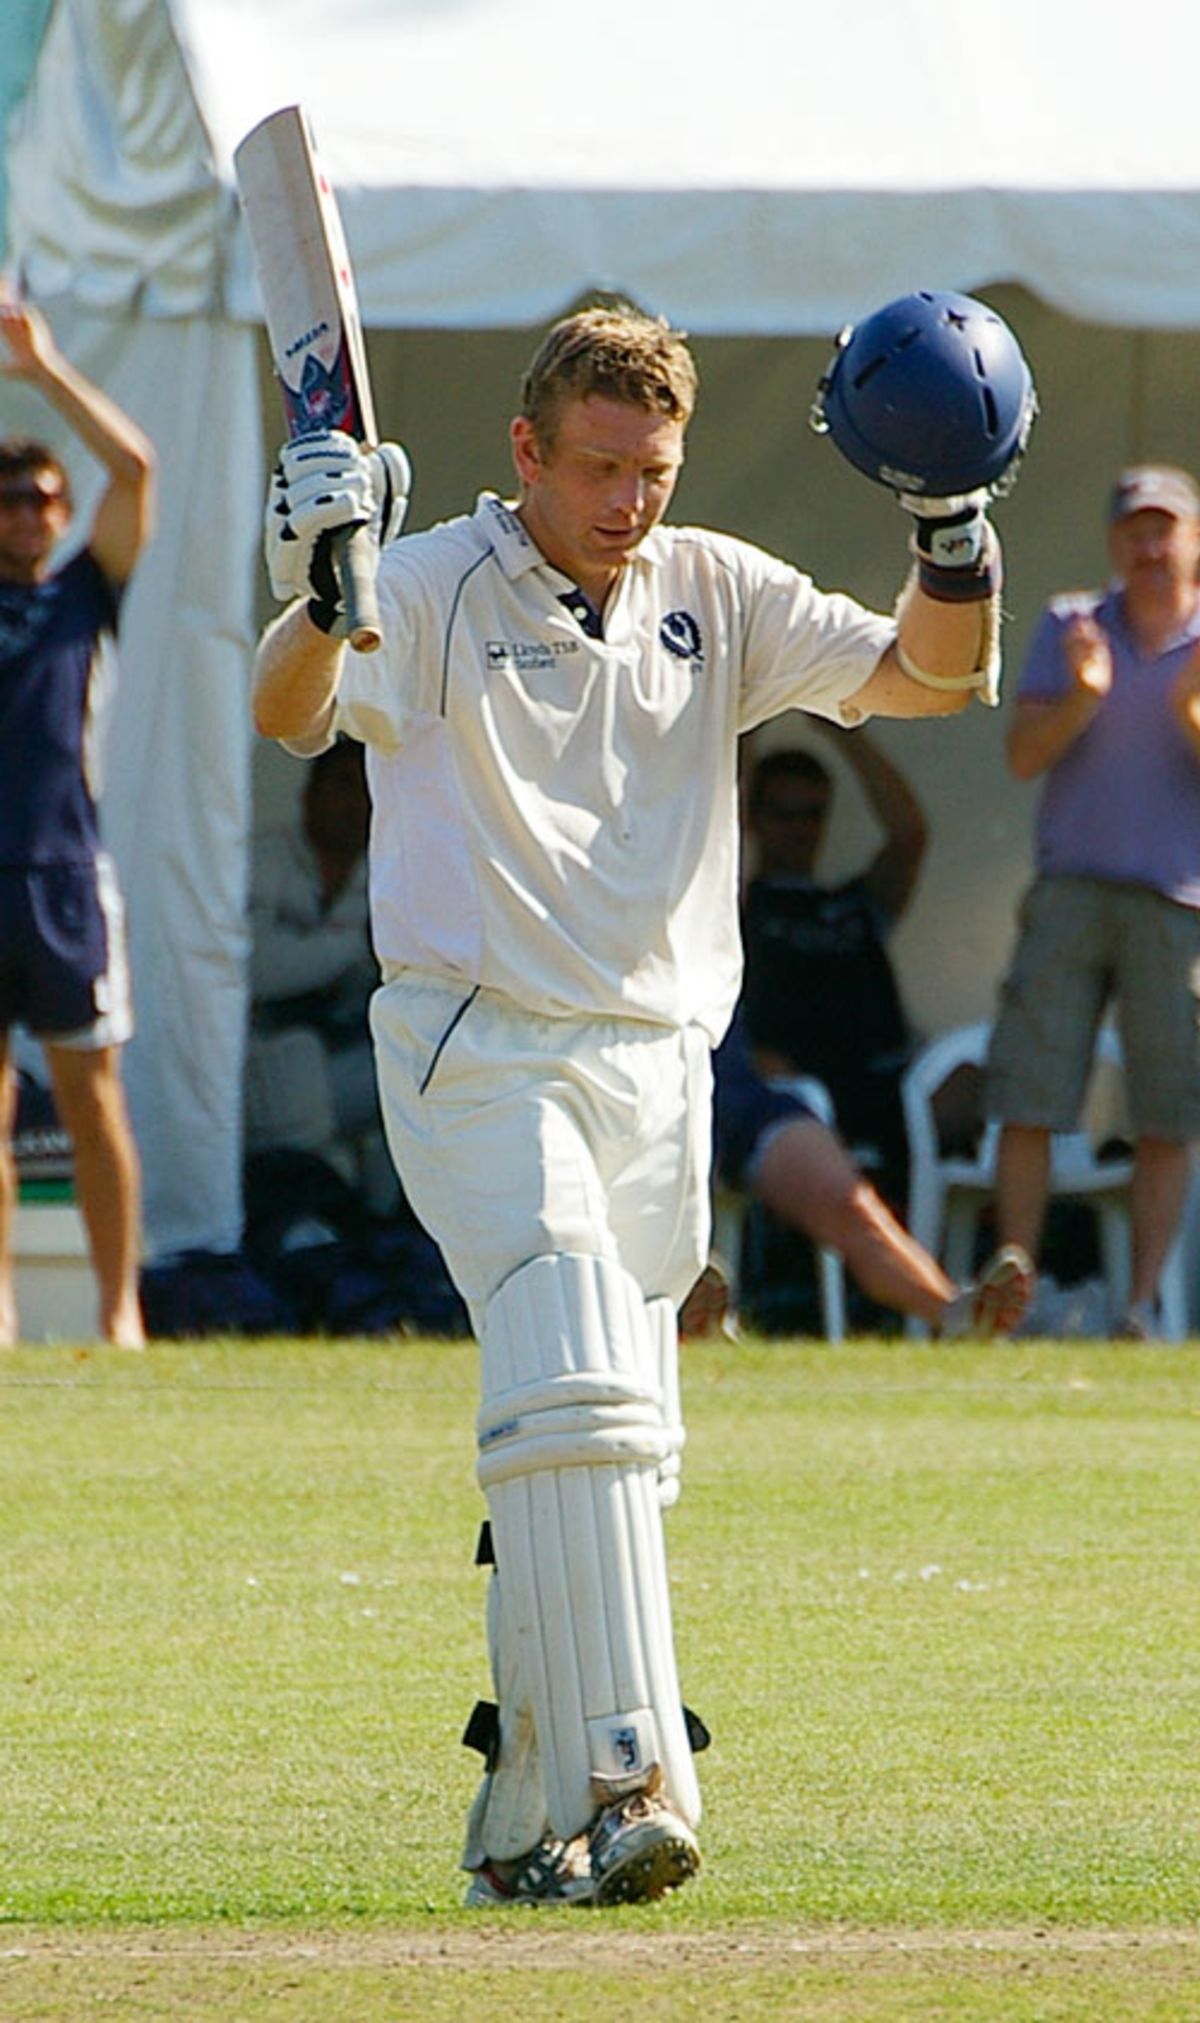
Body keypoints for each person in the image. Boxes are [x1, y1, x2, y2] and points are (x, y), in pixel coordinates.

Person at [251, 300, 1014, 1907]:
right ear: (524, 449)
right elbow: (287, 708)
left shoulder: (709, 585)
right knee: (575, 1349)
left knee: (611, 1437)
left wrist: (951, 532)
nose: (626, 501)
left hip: (661, 1055)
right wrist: (324, 586)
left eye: (650, 470)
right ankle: (630, 1774)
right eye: (596, 466)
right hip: (478, 1033)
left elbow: (930, 679)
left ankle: (521, 1816)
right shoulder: (435, 581)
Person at [985, 463, 1200, 1341]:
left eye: (1165, 529)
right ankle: (1013, 1287)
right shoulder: (1073, 625)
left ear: (1194, 540)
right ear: (1115, 541)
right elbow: (1023, 756)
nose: (1149, 547)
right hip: (1072, 886)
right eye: (1134, 530)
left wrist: (1189, 713)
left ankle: (1141, 1307)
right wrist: (1083, 694)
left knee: (1166, 1109)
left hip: (1176, 902)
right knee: (1030, 1092)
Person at [0, 292, 156, 1349]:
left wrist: (42, 369)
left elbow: (136, 469)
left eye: (44, 496)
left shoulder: (81, 594)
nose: (29, 512)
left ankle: (119, 1312)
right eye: (9, 497)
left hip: (61, 875)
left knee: (90, 1101)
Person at [682, 1011, 1031, 1339]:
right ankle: (687, 1319)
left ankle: (956, 1316)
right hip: (649, 1092)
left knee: (848, 1201)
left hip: (731, 1090)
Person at [739, 726, 926, 1205]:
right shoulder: (740, 905)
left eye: (812, 814)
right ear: (756, 819)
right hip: (797, 1094)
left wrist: (844, 727)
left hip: (889, 1087)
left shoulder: (855, 903)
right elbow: (722, 825)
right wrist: (746, 725)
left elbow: (909, 835)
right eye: (783, 814)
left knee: (983, 1076)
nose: (800, 828)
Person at [245, 738, 395, 1210]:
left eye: (367, 787)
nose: (355, 801)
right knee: (296, 1072)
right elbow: (257, 970)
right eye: (342, 784)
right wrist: (353, 944)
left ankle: (378, 1239)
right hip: (254, 1065)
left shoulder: (392, 871)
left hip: (348, 1061)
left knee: (414, 1076)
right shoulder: (261, 860)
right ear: (308, 794)